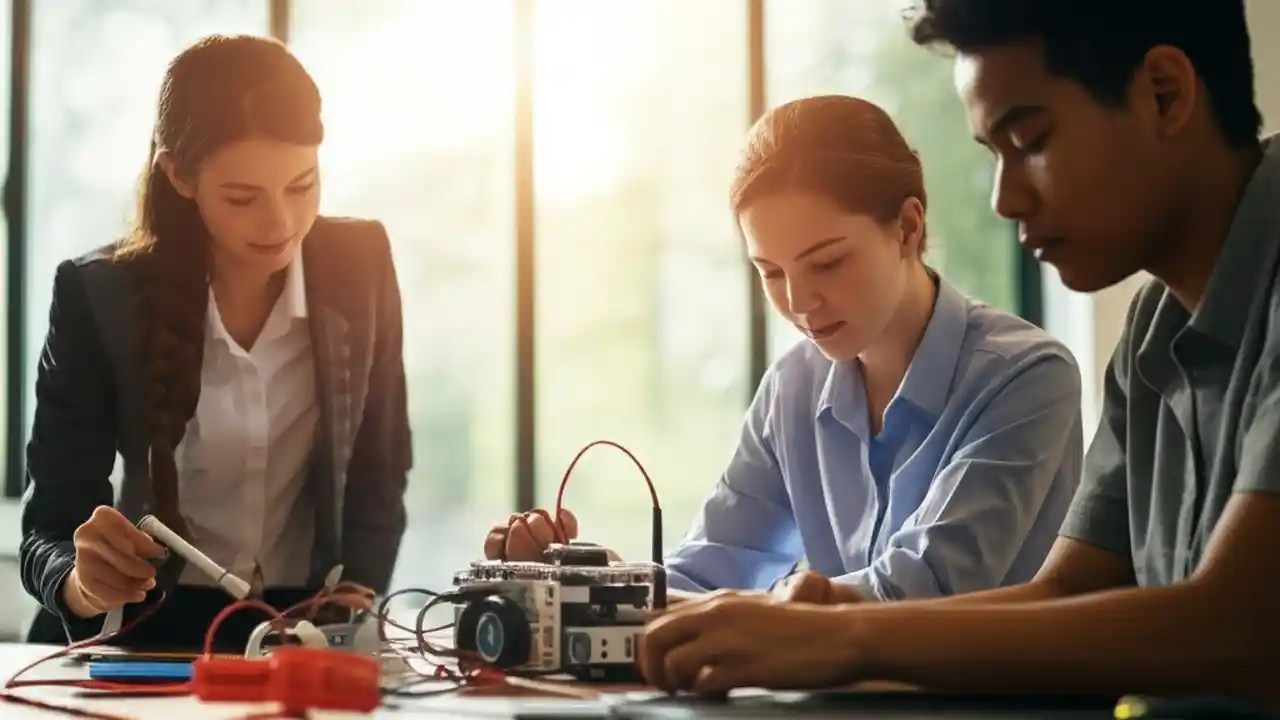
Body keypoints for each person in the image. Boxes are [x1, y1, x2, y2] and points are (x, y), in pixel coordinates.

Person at [638, 0, 1280, 703]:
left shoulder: (1027, 371)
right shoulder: (1154, 331)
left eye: (1031, 140)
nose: (1004, 201)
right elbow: (1064, 591)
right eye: (993, 155)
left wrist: (832, 639)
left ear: (1165, 93)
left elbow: (1237, 629)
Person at [485, 94, 1083, 602]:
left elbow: (927, 587)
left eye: (827, 263)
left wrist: (776, 611)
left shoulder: (1025, 377)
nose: (800, 302)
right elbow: (707, 572)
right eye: (770, 272)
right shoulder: (793, 389)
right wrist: (577, 580)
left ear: (908, 227)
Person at [19, 34, 412, 647]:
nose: (281, 224)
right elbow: (49, 526)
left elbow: (380, 468)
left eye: (302, 184)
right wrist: (85, 582)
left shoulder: (360, 268)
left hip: (298, 632)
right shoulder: (99, 297)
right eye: (242, 197)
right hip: (137, 633)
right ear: (179, 174)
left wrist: (355, 595)